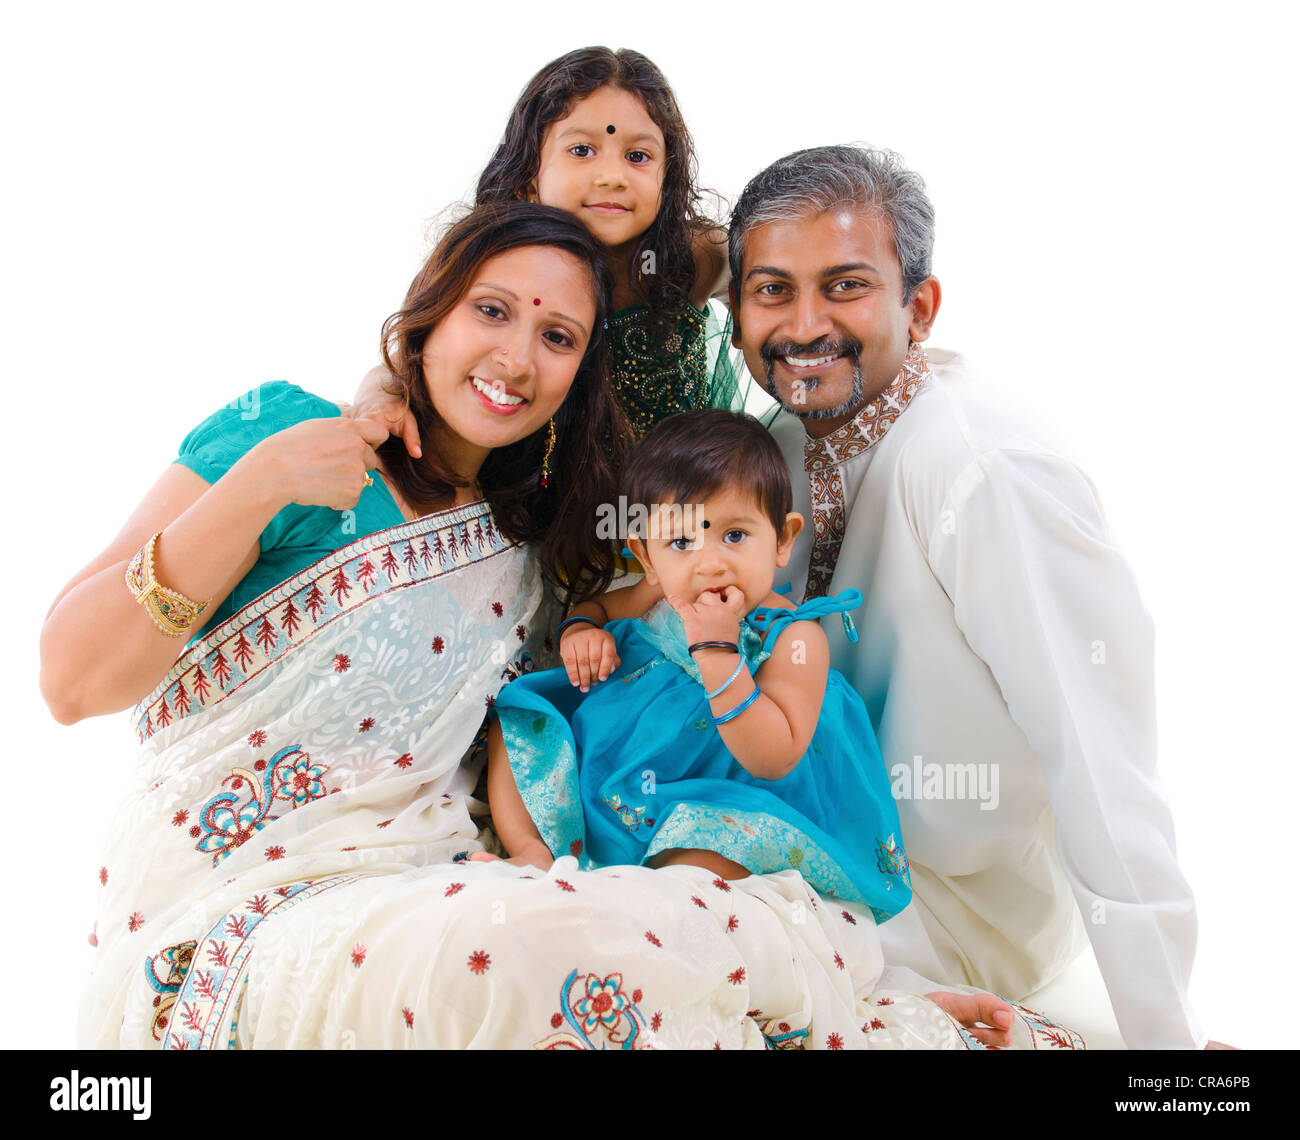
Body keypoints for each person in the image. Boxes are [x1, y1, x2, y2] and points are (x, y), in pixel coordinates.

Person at [40, 198, 1039, 1050]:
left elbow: (551, 752)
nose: (517, 357)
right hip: (223, 923)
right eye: (491, 310)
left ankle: (834, 1000)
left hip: (434, 889)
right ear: (429, 312)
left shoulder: (534, 556)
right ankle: (842, 1019)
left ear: (577, 377)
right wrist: (253, 491)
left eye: (558, 336)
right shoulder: (282, 431)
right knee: (515, 949)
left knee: (596, 925)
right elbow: (70, 680)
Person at [726, 143, 1213, 1049]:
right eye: (771, 290)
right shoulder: (778, 446)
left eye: (844, 285)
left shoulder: (982, 467)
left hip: (949, 913)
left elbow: (1099, 758)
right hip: (807, 858)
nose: (804, 324)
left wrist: (1167, 1047)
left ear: (920, 305)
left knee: (648, 939)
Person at [481, 410, 911, 918]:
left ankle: (654, 906)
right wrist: (581, 631)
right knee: (521, 723)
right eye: (681, 542)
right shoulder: (660, 589)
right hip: (624, 762)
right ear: (647, 555)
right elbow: (596, 607)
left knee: (704, 864)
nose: (708, 563)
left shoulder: (796, 638)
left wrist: (719, 652)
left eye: (734, 535)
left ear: (783, 539)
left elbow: (773, 756)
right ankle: (532, 850)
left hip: (729, 798)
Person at [359, 47, 745, 448]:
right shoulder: (491, 256)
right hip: (548, 495)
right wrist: (376, 397)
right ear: (529, 173)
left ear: (666, 180)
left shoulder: (692, 257)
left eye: (637, 156)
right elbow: (411, 361)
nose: (612, 176)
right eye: (582, 150)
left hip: (683, 492)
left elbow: (765, 283)